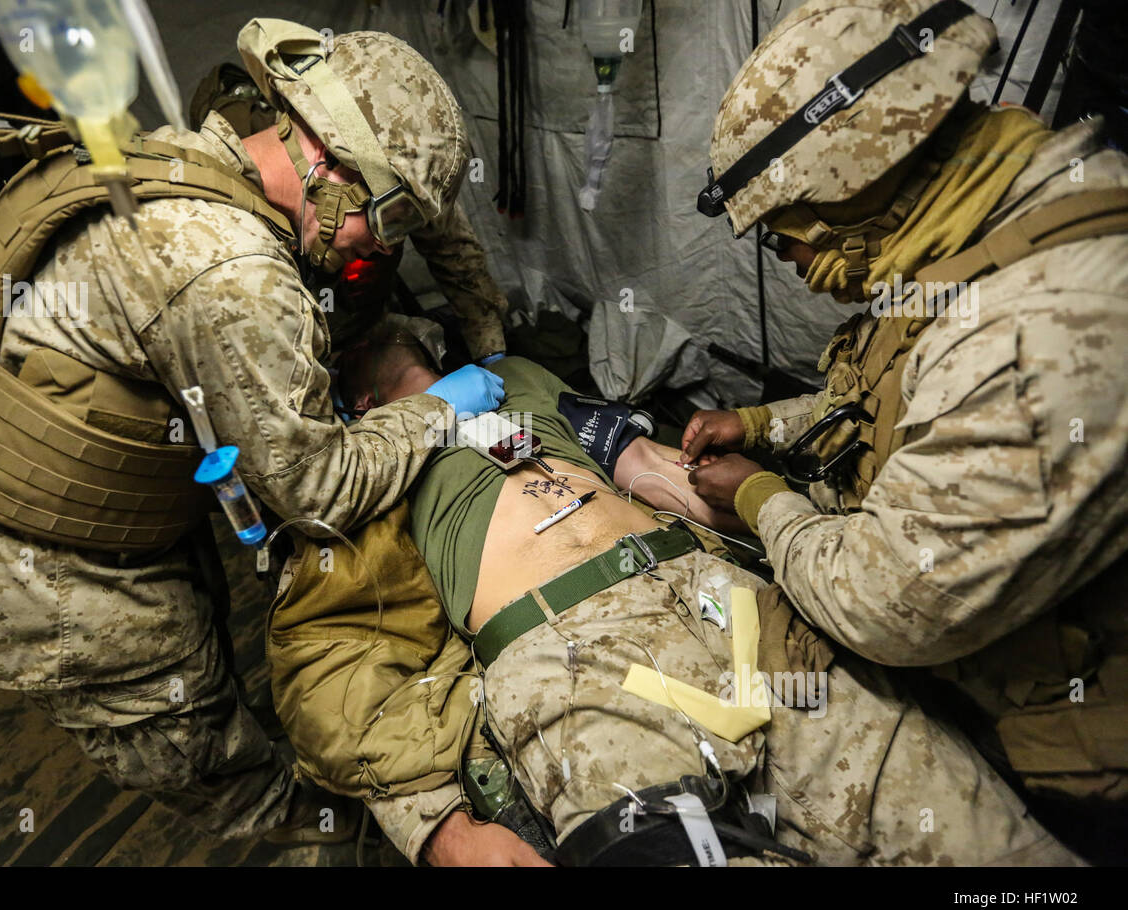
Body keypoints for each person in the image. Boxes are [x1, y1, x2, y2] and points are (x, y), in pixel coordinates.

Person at [0, 19, 507, 844]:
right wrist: (443, 409)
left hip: (103, 512)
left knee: (206, 670)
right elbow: (317, 493)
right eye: (390, 216)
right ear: (330, 168)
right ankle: (318, 835)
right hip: (55, 587)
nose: (386, 245)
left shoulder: (175, 158)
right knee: (208, 759)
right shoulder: (231, 266)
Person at [270, 337, 1078, 866]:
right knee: (663, 855)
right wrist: (440, 830)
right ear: (365, 414)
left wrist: (767, 506)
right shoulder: (355, 483)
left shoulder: (515, 381)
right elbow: (332, 667)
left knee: (984, 846)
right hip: (572, 660)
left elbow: (646, 464)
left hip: (725, 604)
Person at [677, 0, 1128, 845]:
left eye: (789, 242)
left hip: (1056, 768)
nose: (802, 271)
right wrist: (765, 424)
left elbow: (885, 602)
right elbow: (907, 398)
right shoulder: (984, 226)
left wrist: (763, 498)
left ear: (855, 181)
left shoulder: (1048, 329)